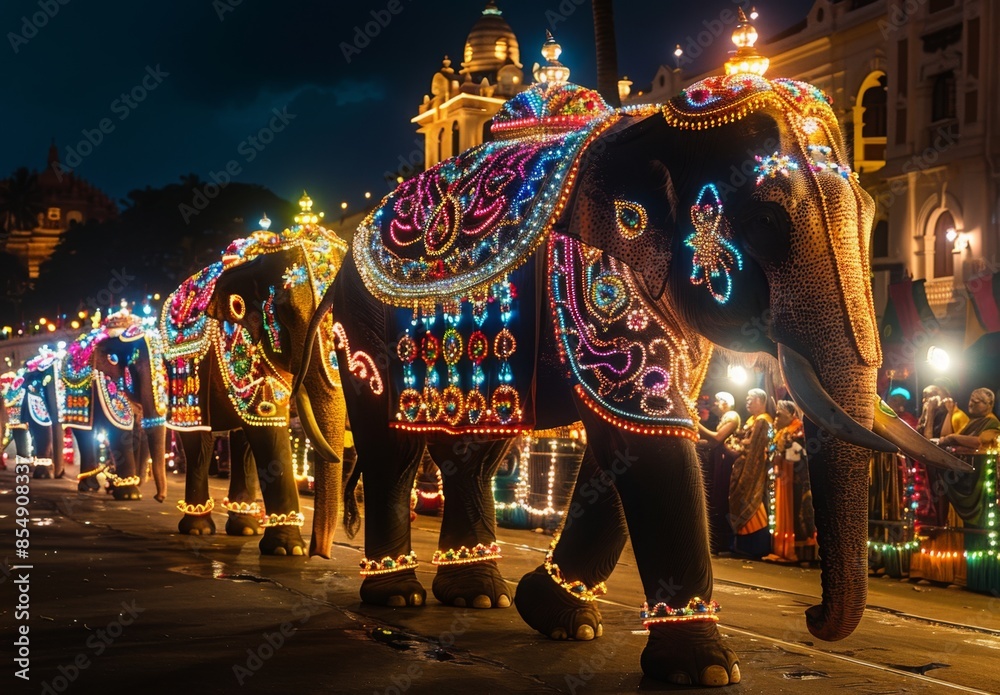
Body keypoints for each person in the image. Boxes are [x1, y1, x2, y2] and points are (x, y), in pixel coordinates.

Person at [764, 400, 817, 564]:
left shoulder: (798, 431)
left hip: (798, 481)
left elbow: (799, 456)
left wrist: (785, 452)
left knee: (799, 513)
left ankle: (802, 553)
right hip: (784, 480)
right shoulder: (781, 432)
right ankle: (784, 550)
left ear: (791, 415)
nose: (776, 418)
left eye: (780, 414)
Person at [728, 388, 774, 558]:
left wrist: (748, 473)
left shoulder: (763, 421)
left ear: (761, 402)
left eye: (751, 399)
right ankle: (743, 545)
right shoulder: (752, 420)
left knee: (750, 498)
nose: (747, 402)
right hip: (743, 466)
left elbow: (755, 450)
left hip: (752, 469)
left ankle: (754, 546)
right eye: (746, 399)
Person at [698, 392, 742, 554]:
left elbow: (717, 439)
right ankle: (717, 540)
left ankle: (724, 541)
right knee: (715, 498)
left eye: (718, 401)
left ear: (726, 403)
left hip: (727, 463)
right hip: (719, 461)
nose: (715, 404)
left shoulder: (732, 416)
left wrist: (696, 424)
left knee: (721, 498)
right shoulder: (724, 418)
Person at [938, 388, 1000, 454]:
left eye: (976, 402)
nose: (970, 404)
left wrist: (953, 437)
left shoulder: (992, 422)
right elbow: (945, 437)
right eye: (971, 400)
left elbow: (981, 442)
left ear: (989, 404)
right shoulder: (972, 421)